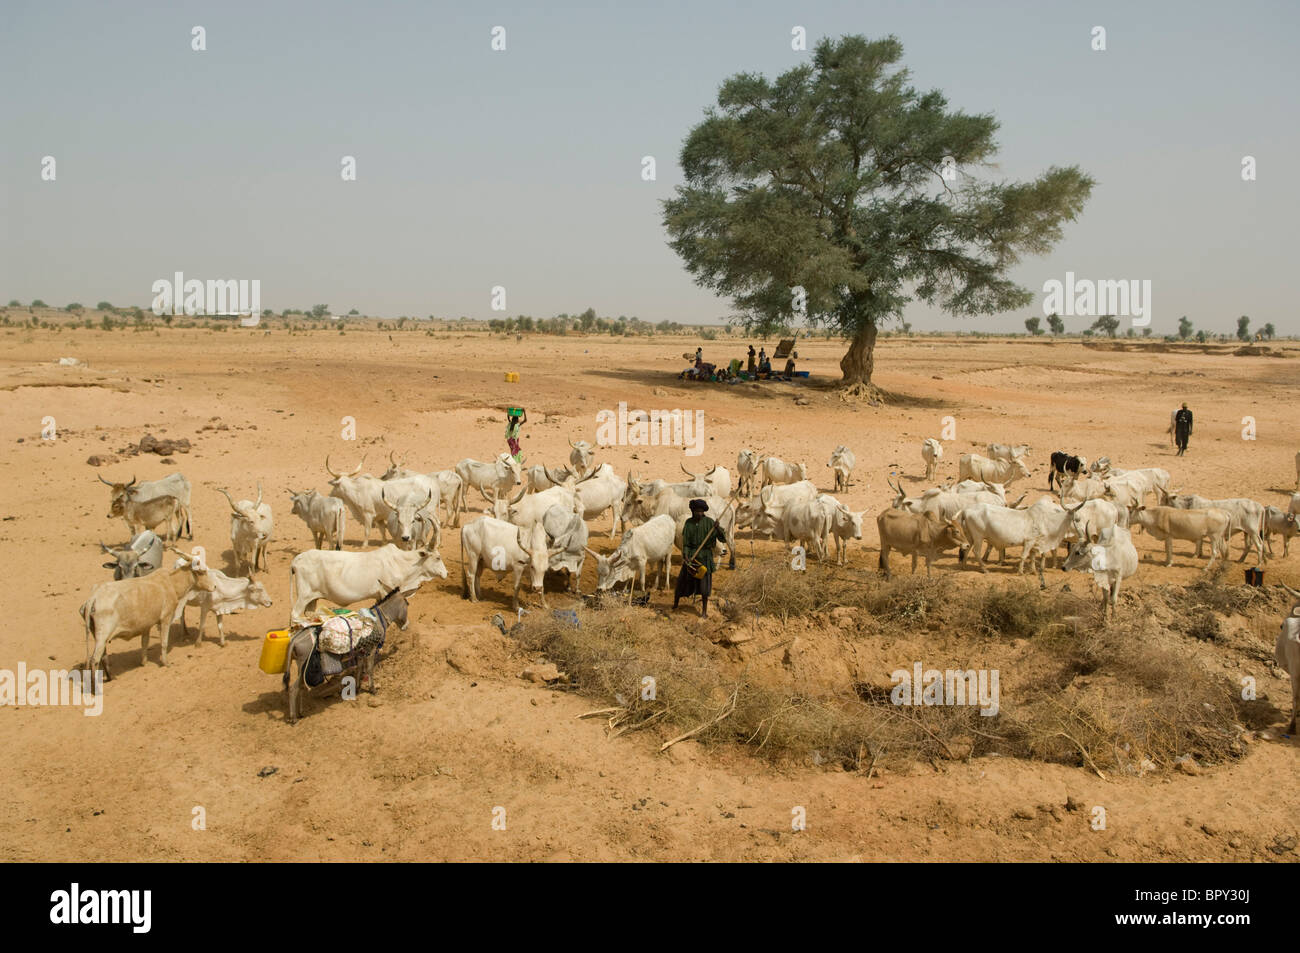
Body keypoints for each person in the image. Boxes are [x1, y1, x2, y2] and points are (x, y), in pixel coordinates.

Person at [674, 499, 718, 618]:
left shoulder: (710, 522)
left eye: (701, 511)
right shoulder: (688, 523)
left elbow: (721, 538)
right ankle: (675, 604)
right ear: (692, 511)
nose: (699, 513)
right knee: (682, 582)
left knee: (704, 588)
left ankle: (704, 611)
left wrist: (717, 528)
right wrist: (686, 556)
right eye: (697, 511)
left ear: (704, 512)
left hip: (705, 558)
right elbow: (686, 543)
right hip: (692, 558)